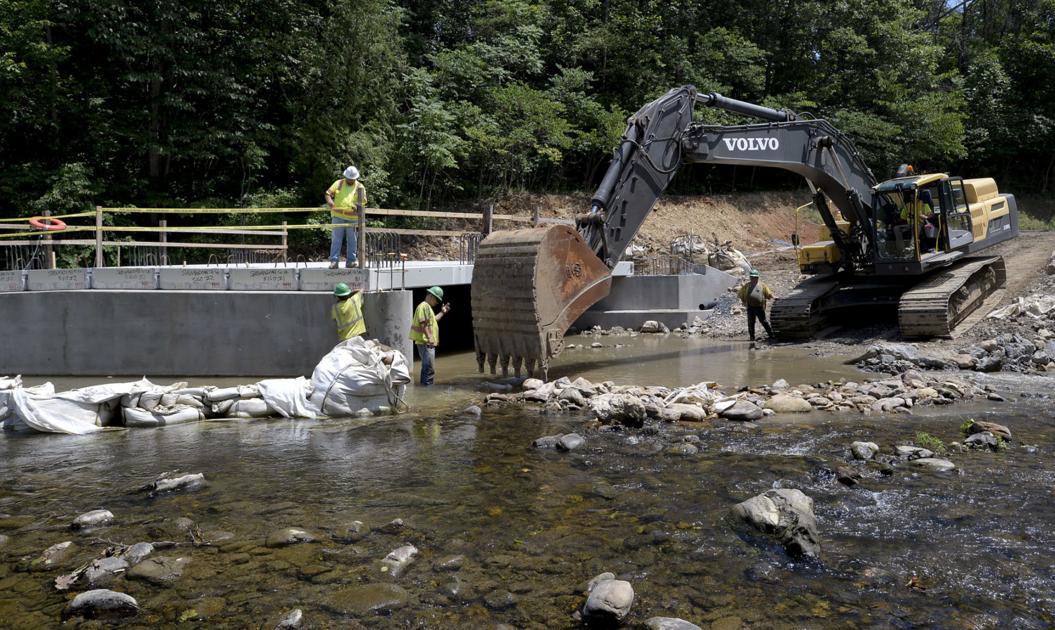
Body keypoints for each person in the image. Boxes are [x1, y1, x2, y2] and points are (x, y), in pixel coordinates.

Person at [324, 166, 367, 269]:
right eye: (349, 178)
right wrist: (330, 201)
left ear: (355, 178)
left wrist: (357, 205)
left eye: (352, 179)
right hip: (338, 216)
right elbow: (328, 193)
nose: (350, 180)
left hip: (352, 218)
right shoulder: (339, 183)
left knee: (352, 240)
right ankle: (334, 261)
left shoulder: (360, 186)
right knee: (336, 239)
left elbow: (364, 200)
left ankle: (351, 262)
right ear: (345, 176)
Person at [409, 286, 450, 386]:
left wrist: (442, 312)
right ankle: (427, 390)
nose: (437, 302)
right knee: (429, 369)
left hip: (426, 342)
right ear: (431, 296)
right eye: (437, 299)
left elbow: (434, 320)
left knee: (427, 368)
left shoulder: (427, 308)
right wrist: (430, 337)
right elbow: (423, 323)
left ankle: (425, 389)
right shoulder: (423, 306)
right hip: (426, 342)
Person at [738, 269, 774, 341]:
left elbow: (768, 294)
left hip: (759, 307)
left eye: (755, 277)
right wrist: (743, 301)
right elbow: (740, 294)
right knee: (751, 322)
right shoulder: (746, 286)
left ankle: (771, 335)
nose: (753, 279)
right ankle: (752, 337)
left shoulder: (762, 285)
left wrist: (773, 297)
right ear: (750, 278)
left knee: (763, 321)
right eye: (752, 277)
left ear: (757, 277)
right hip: (750, 307)